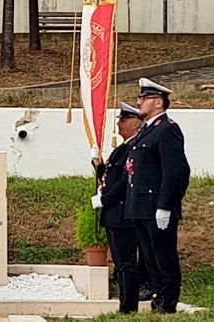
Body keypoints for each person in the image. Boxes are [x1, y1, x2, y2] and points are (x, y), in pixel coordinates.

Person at [124, 78, 190, 314]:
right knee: (150, 258)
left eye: (144, 98)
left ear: (159, 102)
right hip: (140, 206)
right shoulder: (147, 130)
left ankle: (167, 303)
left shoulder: (168, 129)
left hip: (156, 206)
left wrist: (165, 205)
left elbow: (174, 172)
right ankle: (158, 298)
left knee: (164, 257)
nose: (138, 102)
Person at [91, 102, 144, 313]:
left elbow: (124, 181)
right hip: (113, 214)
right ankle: (125, 305)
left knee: (127, 262)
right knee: (120, 263)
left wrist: (106, 199)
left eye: (124, 120)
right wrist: (98, 164)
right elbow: (108, 177)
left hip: (122, 212)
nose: (119, 123)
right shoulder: (121, 149)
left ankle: (129, 307)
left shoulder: (135, 148)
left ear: (137, 123)